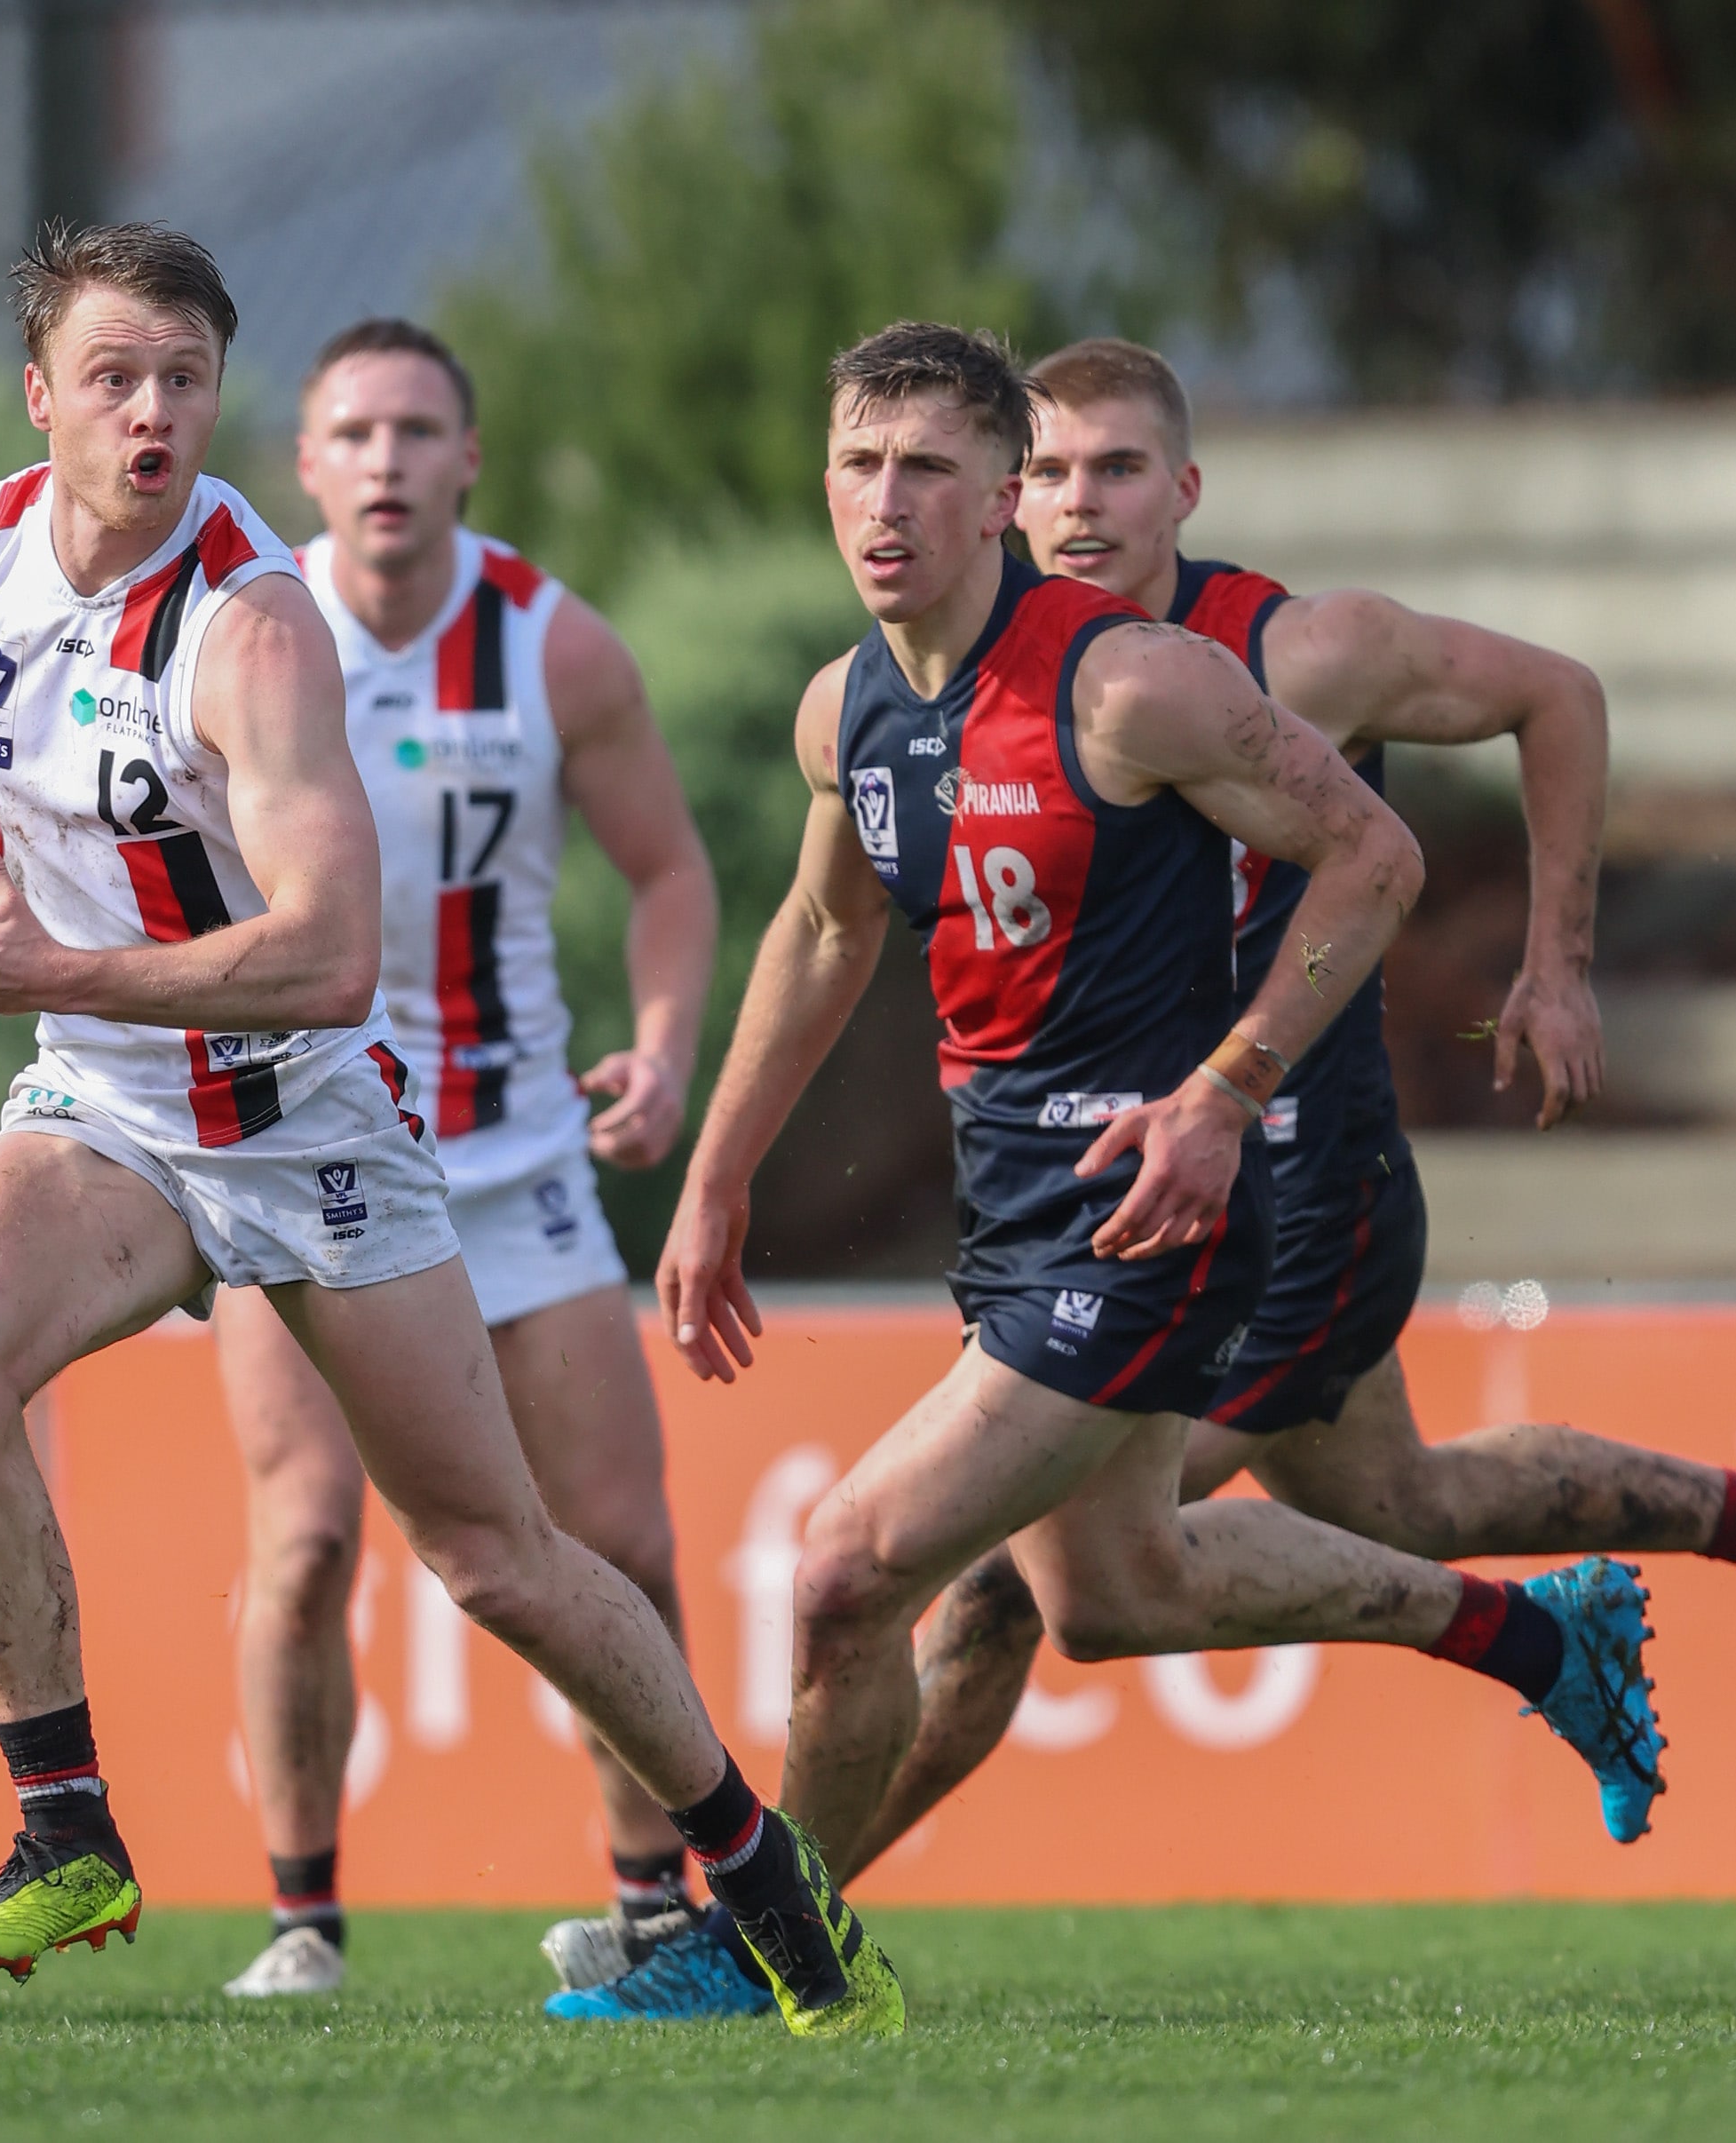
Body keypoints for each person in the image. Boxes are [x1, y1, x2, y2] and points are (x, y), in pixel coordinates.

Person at [0, 222, 900, 2039]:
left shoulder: (251, 629)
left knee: (498, 1555)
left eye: (186, 379)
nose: (154, 413)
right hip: (107, 1111)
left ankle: (755, 1868)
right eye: (114, 375)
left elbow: (332, 959)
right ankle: (65, 1826)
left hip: (302, 1129)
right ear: (38, 396)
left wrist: (44, 962)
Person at [551, 321, 1661, 2024]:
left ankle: (772, 1946)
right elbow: (824, 926)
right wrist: (716, 1178)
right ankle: (1536, 1640)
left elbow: (1376, 852)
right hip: (1020, 1214)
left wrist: (1225, 1090)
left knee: (850, 1565)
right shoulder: (845, 705)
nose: (887, 502)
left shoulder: (1132, 680)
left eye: (930, 468)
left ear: (999, 499)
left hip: (1158, 1212)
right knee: (1118, 1593)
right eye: (859, 464)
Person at [846, 337, 1736, 1876]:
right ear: (1004, 497)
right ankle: (1668, 1553)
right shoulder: (999, 685)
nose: (1078, 503)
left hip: (1295, 1188)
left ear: (1182, 489)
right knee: (1400, 1499)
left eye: (1117, 468)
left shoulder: (1297, 653)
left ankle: (754, 1926)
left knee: (1015, 1582)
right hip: (1155, 1199)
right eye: (1048, 471)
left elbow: (1561, 692)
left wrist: (1558, 965)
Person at [214, 320, 717, 1999]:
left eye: (417, 430)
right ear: (304, 464)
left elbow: (668, 873)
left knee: (620, 1545)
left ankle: (651, 1906)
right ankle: (303, 1925)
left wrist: (662, 1044)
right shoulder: (236, 631)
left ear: (467, 459)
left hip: (512, 1159)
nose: (383, 461)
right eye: (351, 430)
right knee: (300, 1545)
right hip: (297, 1159)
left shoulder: (551, 644)